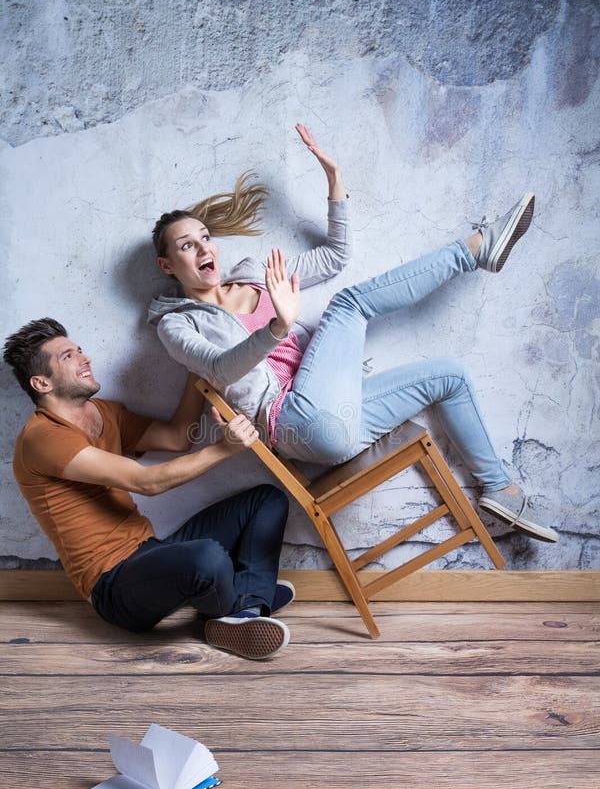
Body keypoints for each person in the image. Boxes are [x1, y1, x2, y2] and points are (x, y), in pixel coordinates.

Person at [148, 124, 558, 543]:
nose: (204, 250)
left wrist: (334, 180)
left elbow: (334, 257)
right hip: (294, 423)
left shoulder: (256, 274)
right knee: (348, 304)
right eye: (186, 246)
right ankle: (475, 248)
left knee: (449, 377)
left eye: (206, 238)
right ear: (167, 266)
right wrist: (278, 327)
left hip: (337, 416)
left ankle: (501, 490)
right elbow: (219, 369)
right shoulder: (176, 324)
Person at [3, 318, 295, 660]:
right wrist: (223, 449)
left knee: (266, 501)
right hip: (114, 587)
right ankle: (244, 599)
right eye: (68, 356)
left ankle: (243, 606)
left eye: (80, 349)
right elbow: (146, 482)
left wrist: (196, 366)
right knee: (208, 557)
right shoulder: (42, 438)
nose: (85, 358)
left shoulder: (104, 412)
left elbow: (177, 437)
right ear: (41, 382)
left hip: (151, 551)